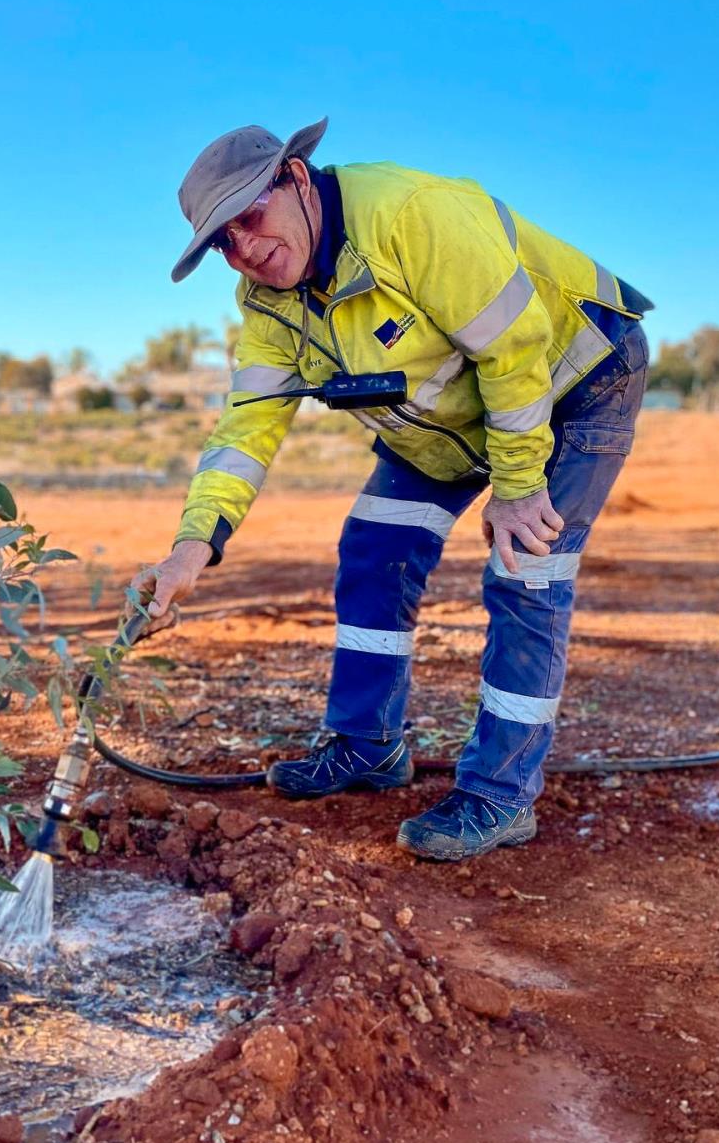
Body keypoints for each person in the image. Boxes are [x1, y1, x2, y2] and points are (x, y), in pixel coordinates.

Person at [133, 117, 651, 861]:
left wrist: (515, 486)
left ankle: (500, 795)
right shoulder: (269, 307)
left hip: (576, 376)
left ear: (298, 181)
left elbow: (515, 349)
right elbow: (245, 431)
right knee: (376, 548)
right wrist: (190, 550)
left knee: (527, 566)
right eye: (222, 241)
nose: (243, 247)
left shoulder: (410, 217)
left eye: (249, 215)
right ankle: (367, 743)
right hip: (456, 416)